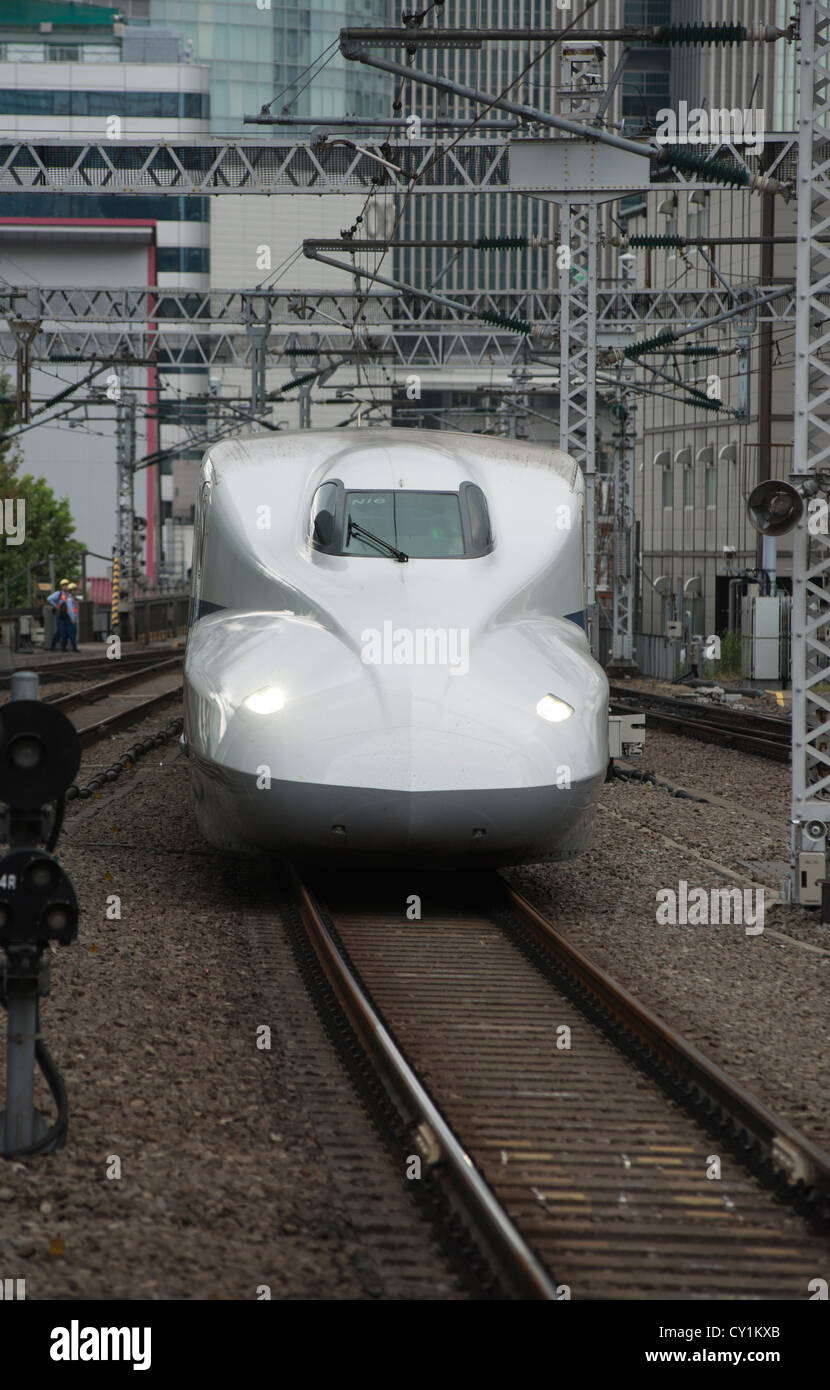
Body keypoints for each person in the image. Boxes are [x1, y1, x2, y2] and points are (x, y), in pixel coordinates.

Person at [47, 580, 79, 653]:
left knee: (62, 631)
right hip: (60, 614)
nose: (66, 586)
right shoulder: (59, 593)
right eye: (64, 585)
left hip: (66, 614)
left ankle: (60, 646)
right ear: (61, 586)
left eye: (67, 585)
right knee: (62, 631)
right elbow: (49, 599)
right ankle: (60, 647)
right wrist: (56, 606)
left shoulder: (68, 595)